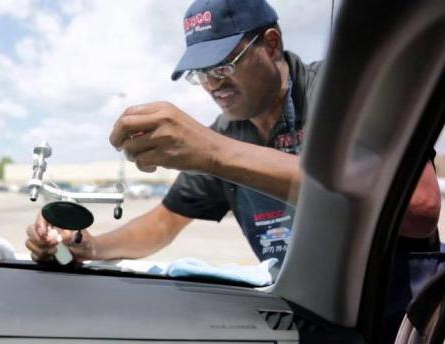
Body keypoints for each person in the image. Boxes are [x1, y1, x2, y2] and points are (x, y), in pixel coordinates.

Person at [25, 1, 441, 331]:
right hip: (301, 310)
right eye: (200, 74)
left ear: (272, 44)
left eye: (224, 65)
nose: (213, 85)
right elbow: (162, 225)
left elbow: (419, 210)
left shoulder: (336, 92)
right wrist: (90, 247)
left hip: (393, 313)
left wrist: (217, 154)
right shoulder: (225, 134)